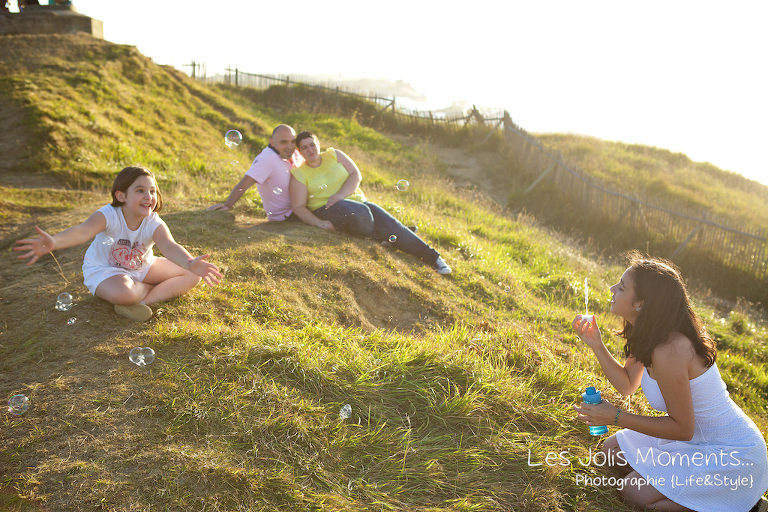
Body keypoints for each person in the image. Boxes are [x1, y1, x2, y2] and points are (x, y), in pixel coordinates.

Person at [572, 252, 768, 511]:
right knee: (610, 451)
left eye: (621, 287)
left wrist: (615, 417)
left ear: (640, 303)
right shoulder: (646, 331)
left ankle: (746, 503)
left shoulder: (670, 350)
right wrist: (597, 344)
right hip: (693, 441)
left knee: (634, 493)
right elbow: (627, 383)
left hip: (731, 453)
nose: (612, 289)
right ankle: (706, 493)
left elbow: (682, 428)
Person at [14, 166, 223, 322]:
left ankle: (143, 302)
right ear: (121, 195)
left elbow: (168, 246)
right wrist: (54, 241)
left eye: (152, 191)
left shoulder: (154, 221)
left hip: (142, 267)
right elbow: (82, 231)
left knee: (192, 274)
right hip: (107, 271)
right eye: (140, 190)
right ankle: (140, 294)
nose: (148, 196)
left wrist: (190, 262)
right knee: (124, 293)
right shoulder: (108, 215)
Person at [290, 130, 451, 274]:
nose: (310, 150)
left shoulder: (335, 155)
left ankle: (435, 259)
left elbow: (356, 174)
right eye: (304, 147)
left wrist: (340, 194)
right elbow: (298, 207)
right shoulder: (300, 174)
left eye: (312, 144)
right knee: (364, 214)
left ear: (318, 144)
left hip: (357, 202)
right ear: (299, 151)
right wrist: (320, 224)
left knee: (390, 222)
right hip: (328, 209)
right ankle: (387, 236)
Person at [208, 124, 302, 221]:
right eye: (284, 142)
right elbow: (244, 184)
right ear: (272, 142)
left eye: (293, 141)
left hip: (301, 208)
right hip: (286, 216)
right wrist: (228, 205)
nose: (290, 146)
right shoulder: (267, 159)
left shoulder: (294, 153)